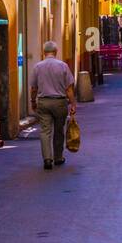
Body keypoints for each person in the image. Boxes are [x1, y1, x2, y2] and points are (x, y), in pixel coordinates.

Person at [30, 41, 76, 171]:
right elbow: (69, 89)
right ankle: (58, 157)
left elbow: (33, 88)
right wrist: (73, 104)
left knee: (45, 131)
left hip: (43, 102)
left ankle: (47, 159)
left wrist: (33, 101)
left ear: (43, 52)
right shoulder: (63, 66)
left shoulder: (37, 67)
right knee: (58, 130)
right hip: (60, 102)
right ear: (56, 52)